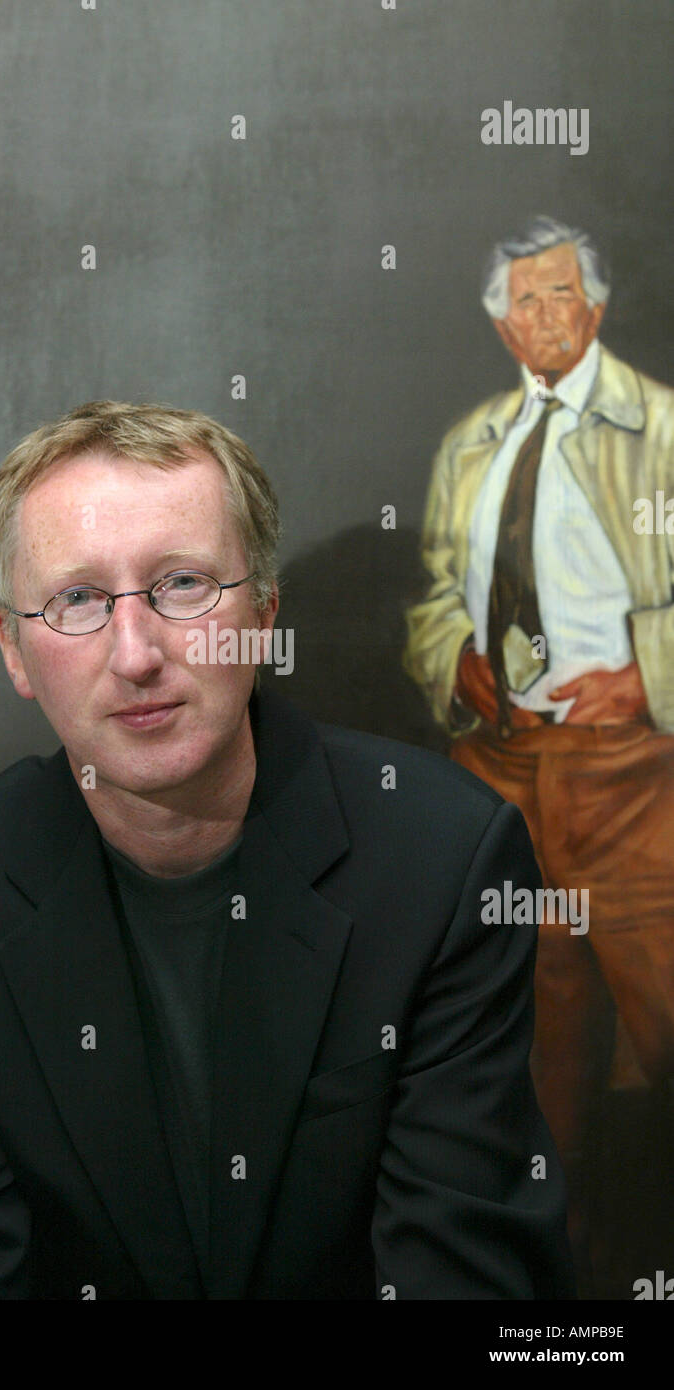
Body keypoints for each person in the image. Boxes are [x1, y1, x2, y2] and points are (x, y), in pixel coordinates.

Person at [0, 401, 572, 1299]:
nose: (136, 653)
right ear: (14, 648)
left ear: (264, 611)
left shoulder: (443, 857)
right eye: (77, 598)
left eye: (182, 585)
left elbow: (470, 1288)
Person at [404, 214, 674, 1289]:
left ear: (595, 310)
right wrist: (452, 665)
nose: (541, 315)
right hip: (499, 779)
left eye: (560, 294)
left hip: (630, 778)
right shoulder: (472, 441)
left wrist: (646, 680)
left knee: (660, 1029)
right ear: (497, 322)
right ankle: (551, 1298)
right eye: (522, 299)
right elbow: (431, 595)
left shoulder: (656, 428)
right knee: (527, 1057)